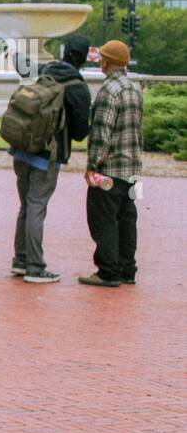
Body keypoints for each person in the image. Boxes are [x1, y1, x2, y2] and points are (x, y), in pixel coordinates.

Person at [9, 34, 91, 284]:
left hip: (21, 149)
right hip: (48, 156)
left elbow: (20, 64)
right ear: (84, 58)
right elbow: (79, 134)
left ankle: (21, 261)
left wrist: (13, 50)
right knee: (37, 206)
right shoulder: (78, 88)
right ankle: (35, 268)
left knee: (26, 206)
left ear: (64, 52)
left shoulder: (42, 70)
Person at [80, 40, 142, 288]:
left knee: (103, 217)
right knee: (127, 218)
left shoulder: (108, 91)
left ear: (106, 62)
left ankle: (107, 271)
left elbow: (101, 133)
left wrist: (92, 166)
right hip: (133, 170)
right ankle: (128, 269)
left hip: (109, 170)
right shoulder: (134, 89)